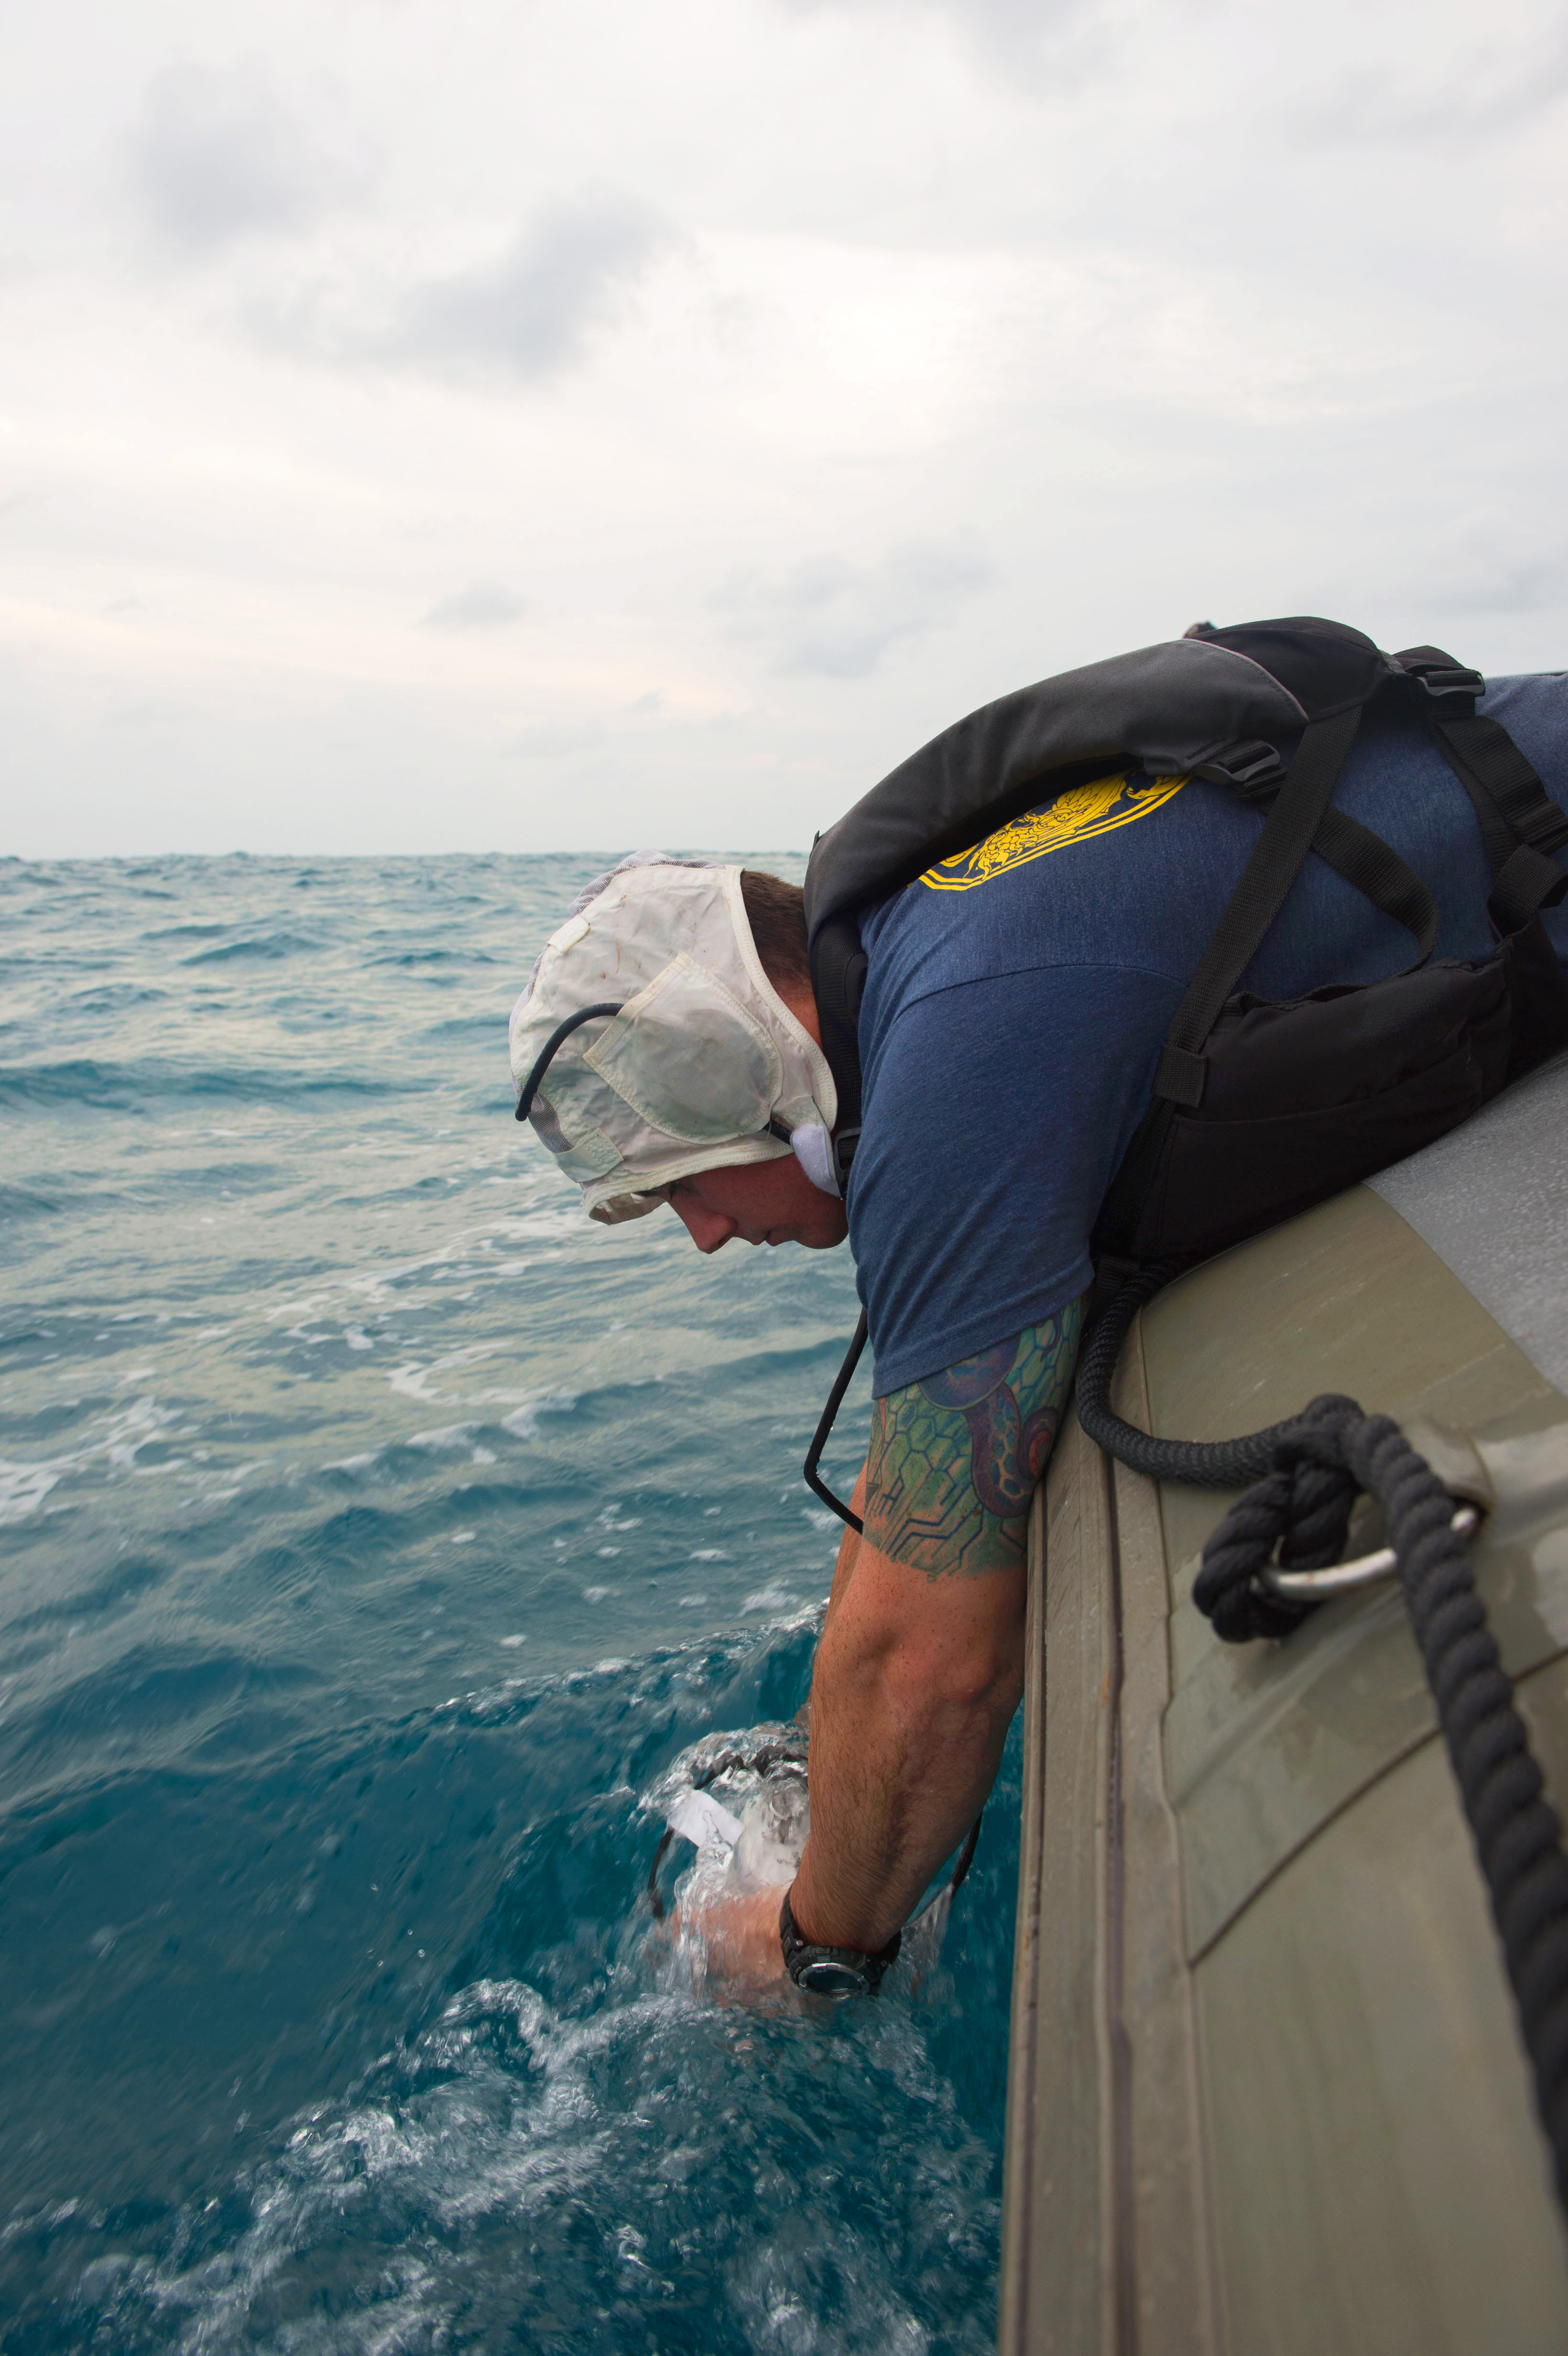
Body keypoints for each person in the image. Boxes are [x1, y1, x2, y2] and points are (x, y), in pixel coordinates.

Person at [509, 671, 1568, 1990]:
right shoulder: (926, 949)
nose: (706, 1233)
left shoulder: (959, 1059)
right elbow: (916, 1485)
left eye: (681, 1184)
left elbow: (939, 1666)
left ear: (747, 1067)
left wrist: (804, 1949)